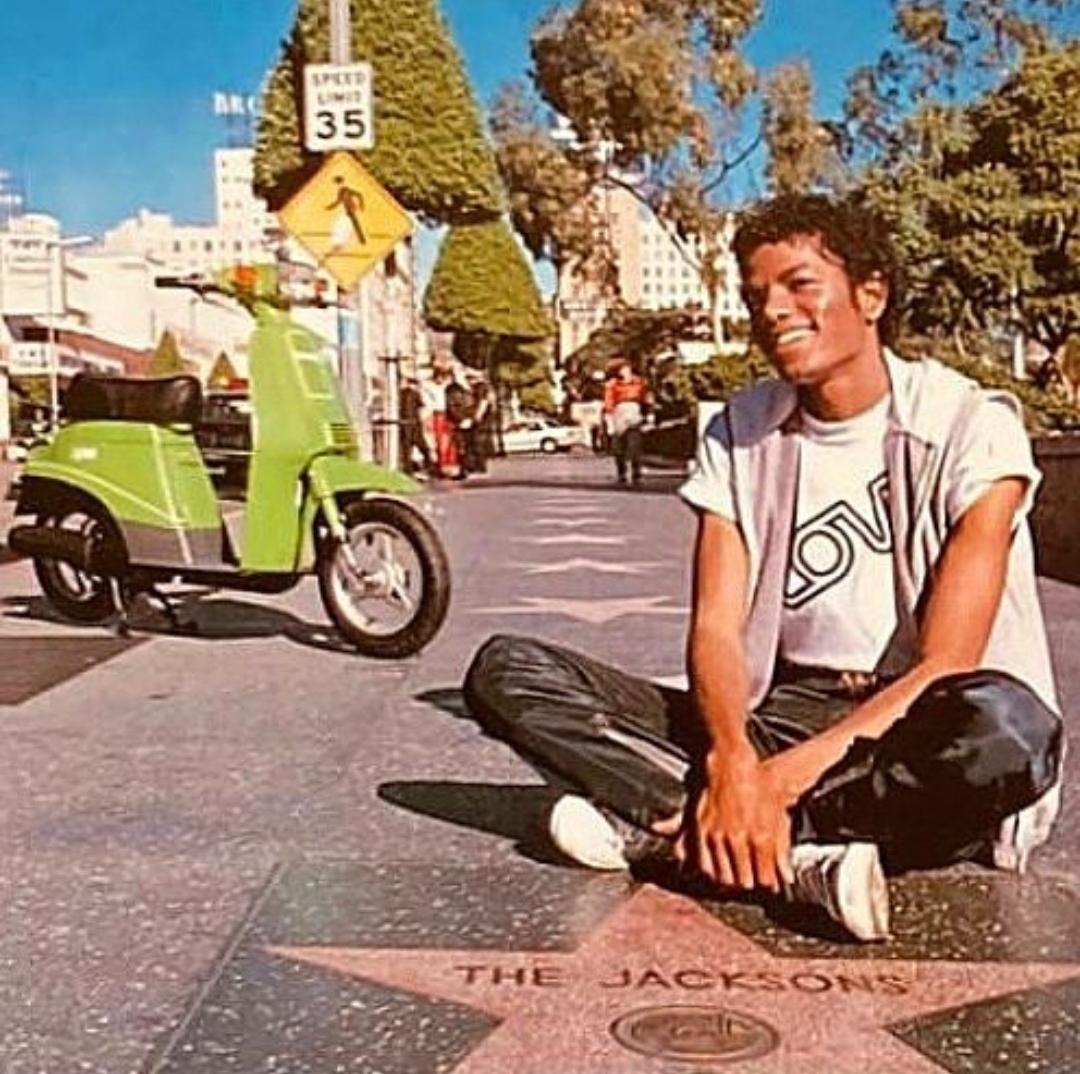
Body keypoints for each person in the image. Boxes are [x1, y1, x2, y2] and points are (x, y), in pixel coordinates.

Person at [464, 193, 1064, 942]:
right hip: (781, 713)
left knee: (1013, 729)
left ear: (870, 294)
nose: (773, 309)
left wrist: (765, 786)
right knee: (507, 668)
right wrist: (730, 758)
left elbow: (946, 665)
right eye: (757, 296)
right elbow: (716, 626)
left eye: (800, 284)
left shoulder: (972, 427)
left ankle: (670, 835)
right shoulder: (739, 431)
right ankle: (791, 858)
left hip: (915, 729)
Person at [603, 359, 649, 485]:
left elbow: (646, 398)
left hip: (634, 411)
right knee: (619, 446)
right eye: (621, 370)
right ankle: (621, 473)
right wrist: (609, 419)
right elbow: (608, 402)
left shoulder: (639, 382)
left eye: (626, 369)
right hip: (619, 412)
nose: (624, 372)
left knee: (635, 446)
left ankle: (636, 473)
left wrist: (648, 415)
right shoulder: (613, 384)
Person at [398, 377, 433, 477]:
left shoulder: (399, 394)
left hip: (405, 423)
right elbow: (421, 405)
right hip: (414, 422)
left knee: (407, 448)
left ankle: (408, 470)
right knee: (422, 446)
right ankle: (429, 466)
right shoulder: (413, 394)